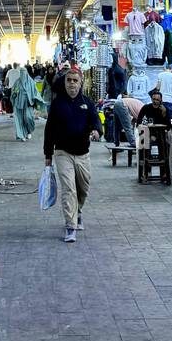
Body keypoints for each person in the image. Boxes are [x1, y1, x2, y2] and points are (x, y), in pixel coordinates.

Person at [44, 67, 100, 242]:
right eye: (69, 80)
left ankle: (79, 212)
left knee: (83, 189)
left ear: (80, 82)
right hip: (62, 153)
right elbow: (49, 130)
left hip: (83, 154)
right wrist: (48, 155)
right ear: (65, 82)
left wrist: (98, 131)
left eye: (75, 80)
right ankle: (70, 226)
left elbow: (96, 120)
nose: (72, 84)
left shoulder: (88, 103)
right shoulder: (57, 104)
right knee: (69, 189)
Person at [11, 63, 45, 141]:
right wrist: (15, 93)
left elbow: (35, 92)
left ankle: (29, 131)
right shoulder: (17, 82)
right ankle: (21, 135)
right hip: (19, 103)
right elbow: (13, 92)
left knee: (28, 118)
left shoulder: (31, 82)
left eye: (24, 73)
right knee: (20, 119)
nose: (23, 74)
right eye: (21, 73)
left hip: (28, 103)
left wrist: (38, 100)